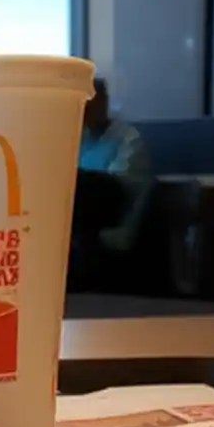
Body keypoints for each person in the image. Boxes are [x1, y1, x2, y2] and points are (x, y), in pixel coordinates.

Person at [69, 78, 153, 290]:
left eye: (93, 102)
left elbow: (121, 192)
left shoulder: (127, 138)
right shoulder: (76, 140)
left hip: (111, 221)